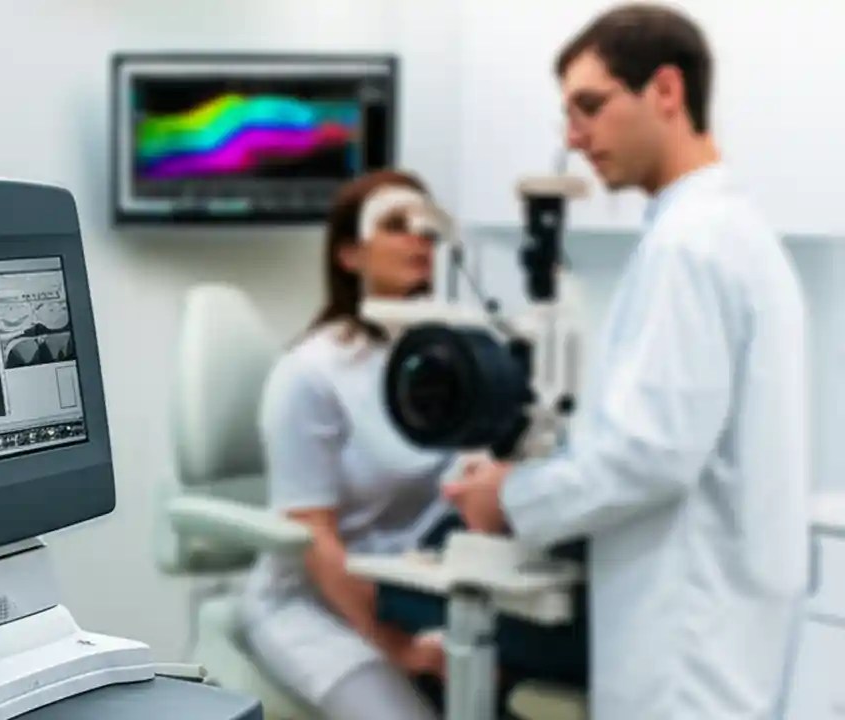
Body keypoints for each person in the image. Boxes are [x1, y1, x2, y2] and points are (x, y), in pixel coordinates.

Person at [444, 4, 809, 719]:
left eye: (590, 106)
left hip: (686, 650)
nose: (574, 137)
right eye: (567, 116)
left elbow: (651, 453)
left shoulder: (688, 246)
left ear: (666, 91)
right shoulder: (733, 233)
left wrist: (510, 497)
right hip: (727, 633)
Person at [238, 170, 454, 720]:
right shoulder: (312, 373)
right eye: (396, 225)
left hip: (411, 593)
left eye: (428, 228)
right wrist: (397, 647)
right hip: (312, 604)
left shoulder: (448, 365)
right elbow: (315, 538)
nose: (418, 239)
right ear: (350, 254)